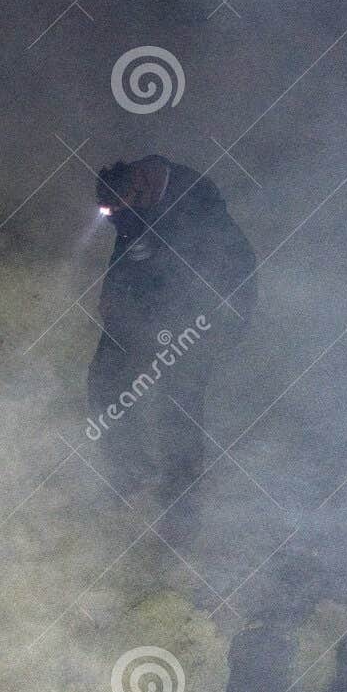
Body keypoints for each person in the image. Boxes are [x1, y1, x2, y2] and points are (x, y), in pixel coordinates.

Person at [88, 155, 257, 542]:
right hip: (150, 307)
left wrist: (177, 334)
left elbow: (208, 278)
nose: (114, 219)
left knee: (177, 402)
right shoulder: (133, 202)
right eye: (108, 213)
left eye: (119, 210)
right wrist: (113, 305)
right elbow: (128, 257)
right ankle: (132, 480)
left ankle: (181, 512)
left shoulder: (196, 207)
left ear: (142, 186)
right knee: (104, 381)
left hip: (206, 313)